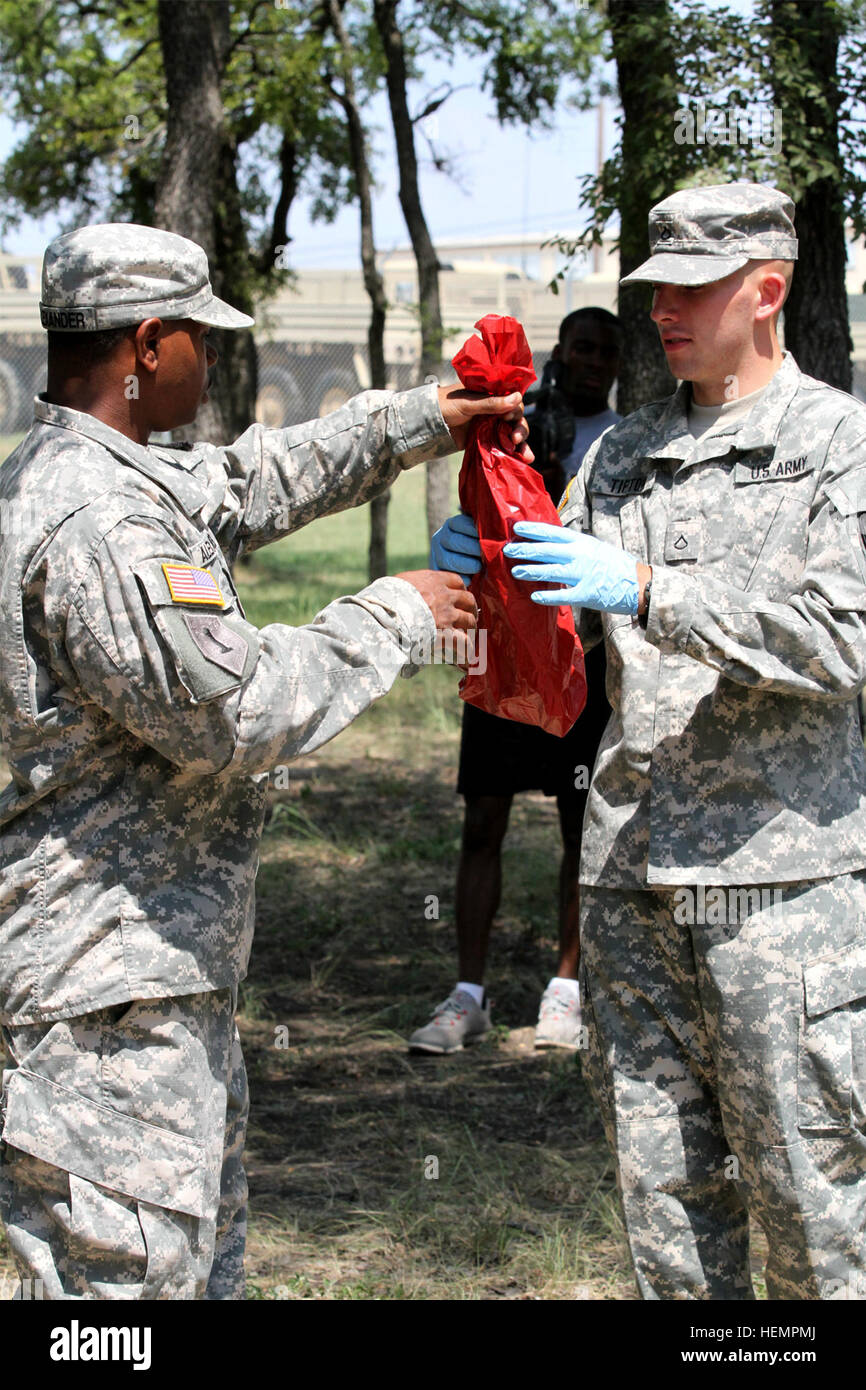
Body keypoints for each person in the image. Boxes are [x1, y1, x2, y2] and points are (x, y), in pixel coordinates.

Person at [0, 222, 532, 1301]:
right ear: (148, 345)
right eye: (198, 335)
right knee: (123, 1304)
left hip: (146, 986)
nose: (212, 357)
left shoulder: (101, 471)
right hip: (100, 1006)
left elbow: (250, 480)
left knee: (186, 1272)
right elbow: (232, 710)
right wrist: (393, 614)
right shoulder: (97, 520)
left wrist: (421, 419)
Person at [435, 183, 866, 1299]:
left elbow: (844, 635)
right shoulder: (621, 451)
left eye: (689, 287)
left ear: (766, 290)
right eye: (651, 290)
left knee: (813, 1205)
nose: (660, 311)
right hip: (630, 883)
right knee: (665, 1212)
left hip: (782, 892)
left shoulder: (838, 445)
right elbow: (554, 617)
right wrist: (495, 513)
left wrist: (645, 588)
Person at [408, 310, 620, 1055]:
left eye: (606, 352)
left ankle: (565, 990)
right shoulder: (520, 425)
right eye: (580, 348)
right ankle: (468, 995)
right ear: (562, 352)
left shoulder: (619, 445)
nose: (591, 362)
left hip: (576, 655)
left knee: (578, 824)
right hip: (501, 652)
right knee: (483, 819)